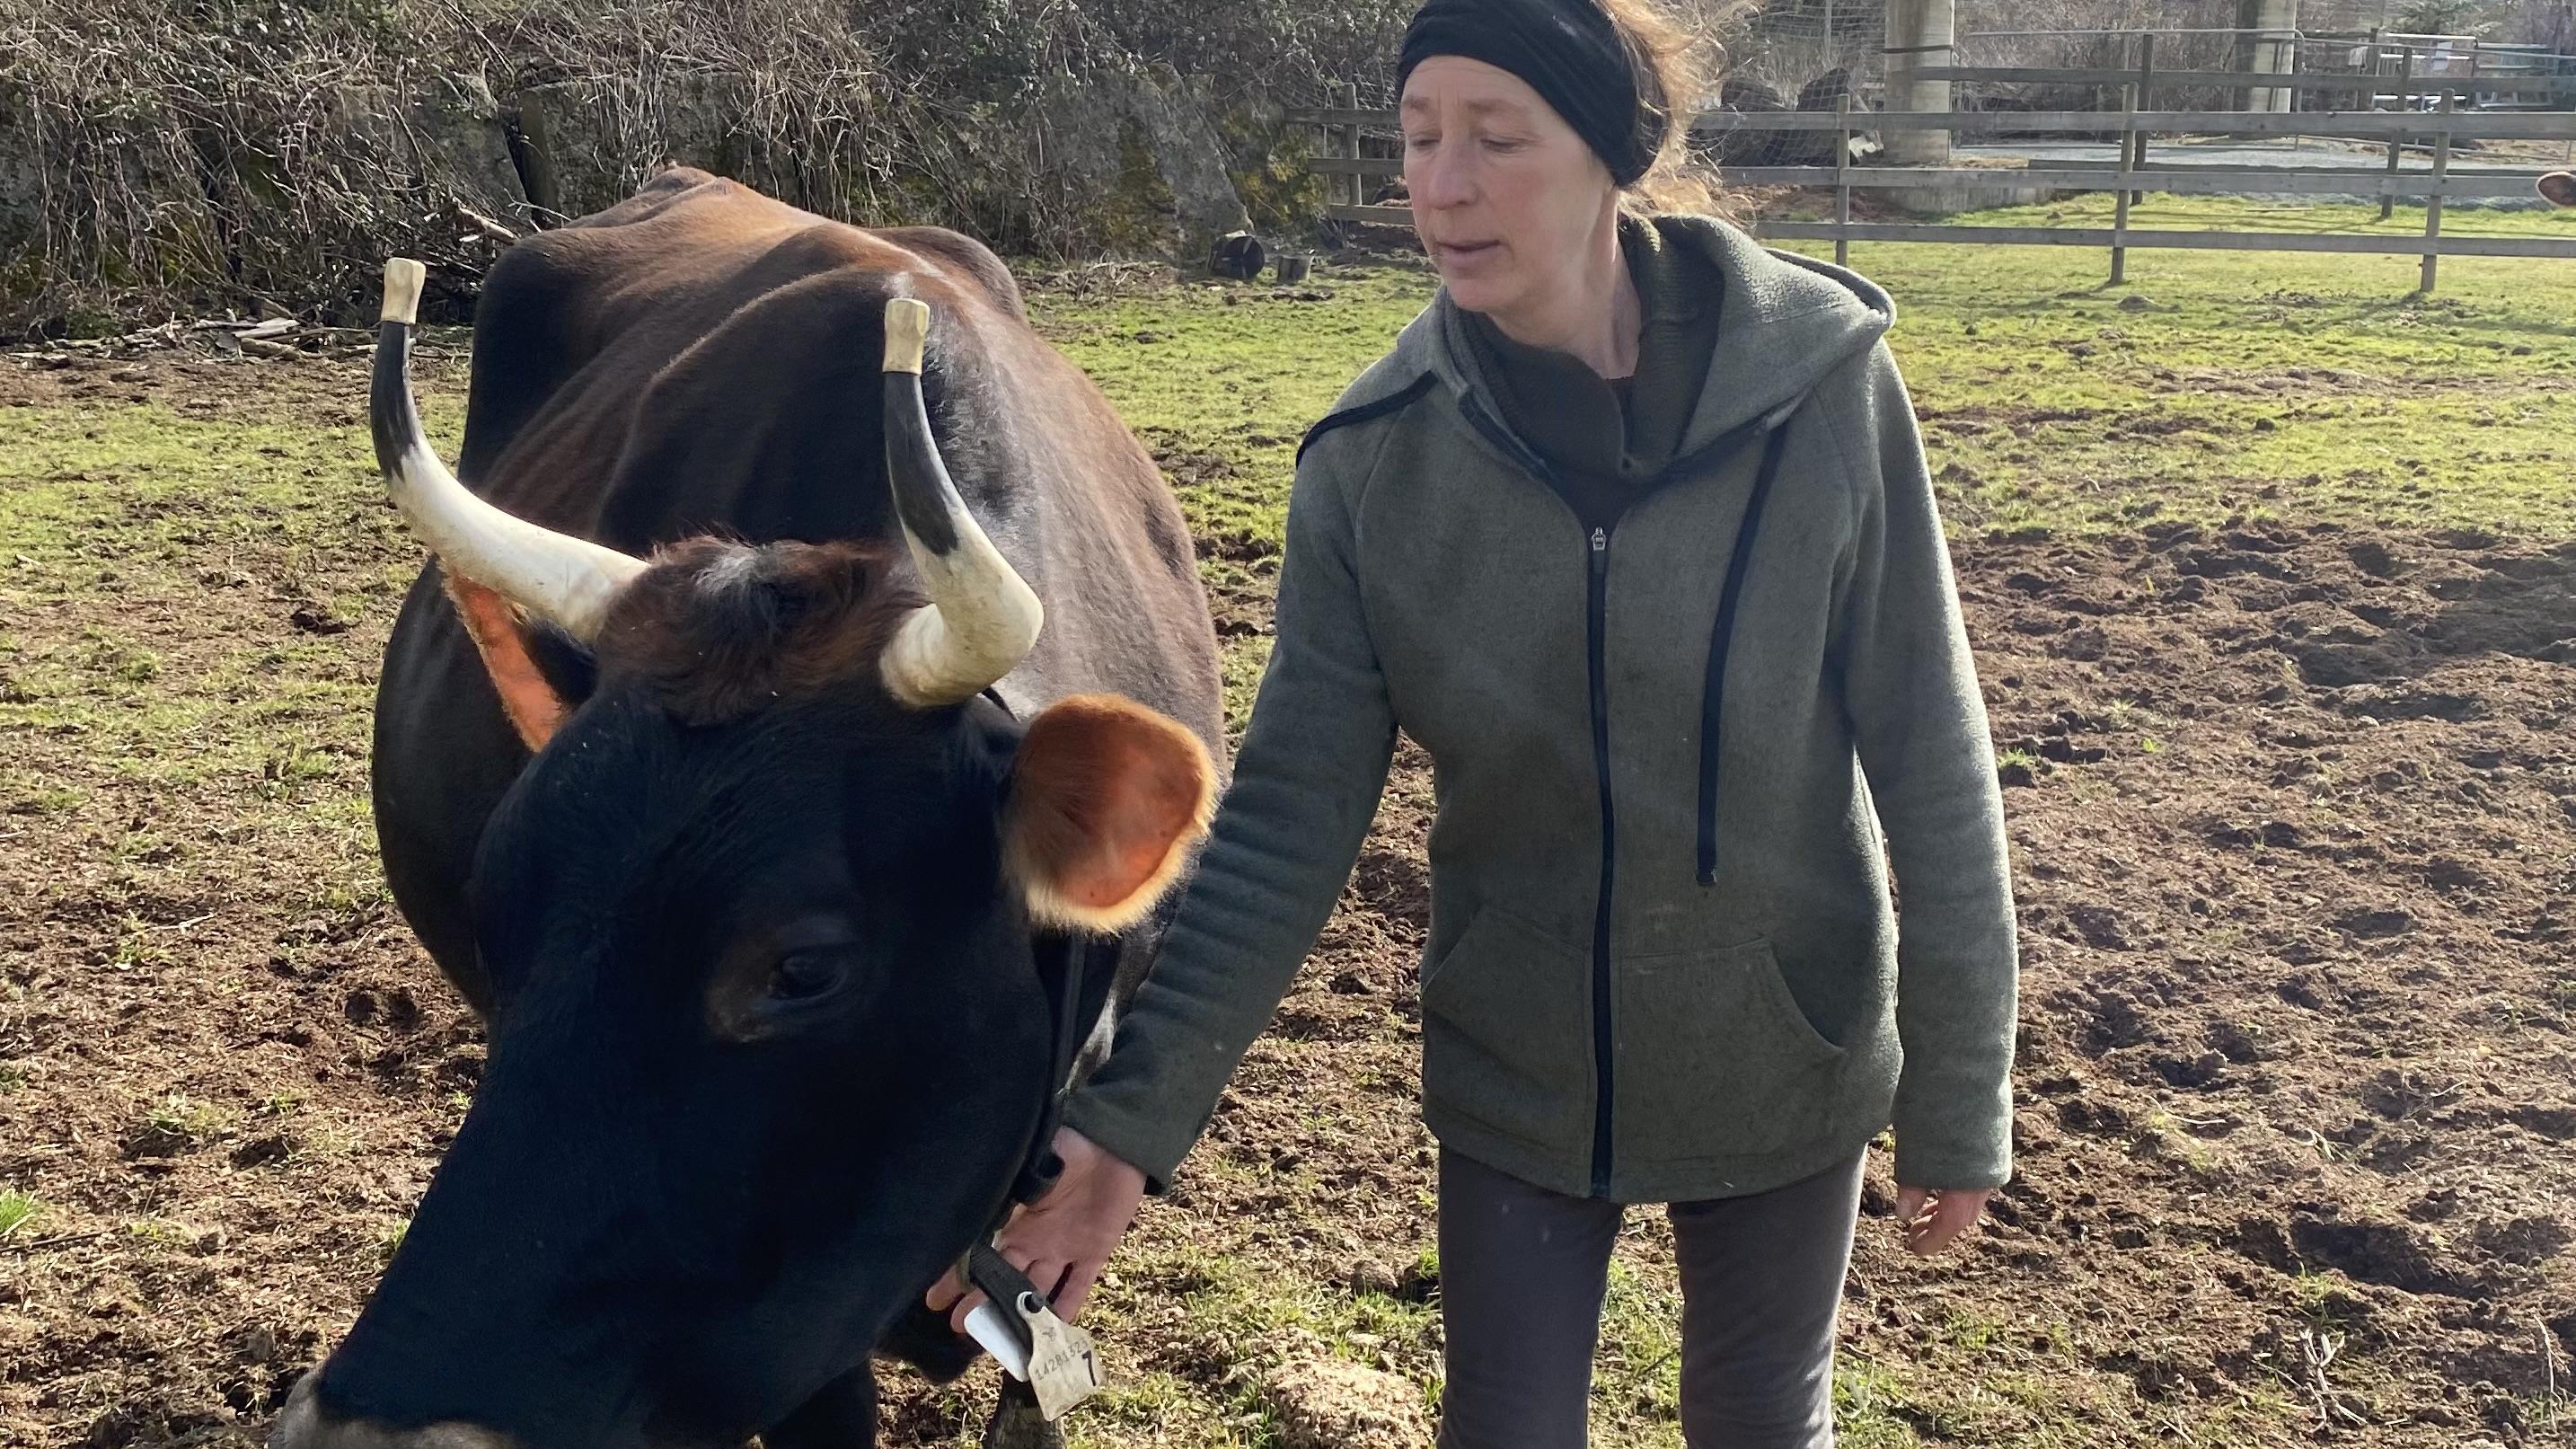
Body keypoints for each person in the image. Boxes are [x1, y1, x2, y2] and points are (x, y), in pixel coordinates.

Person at [933, 1, 2019, 1443]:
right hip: (1520, 1062)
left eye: (1496, 139)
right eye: (1419, 135)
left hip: (1791, 1032)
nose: (1439, 184)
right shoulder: (1372, 467)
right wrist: (1128, 1131)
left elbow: (1932, 751)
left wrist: (1959, 1086)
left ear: (1611, 155)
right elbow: (1282, 830)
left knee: (1764, 1417)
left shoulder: (1821, 391)